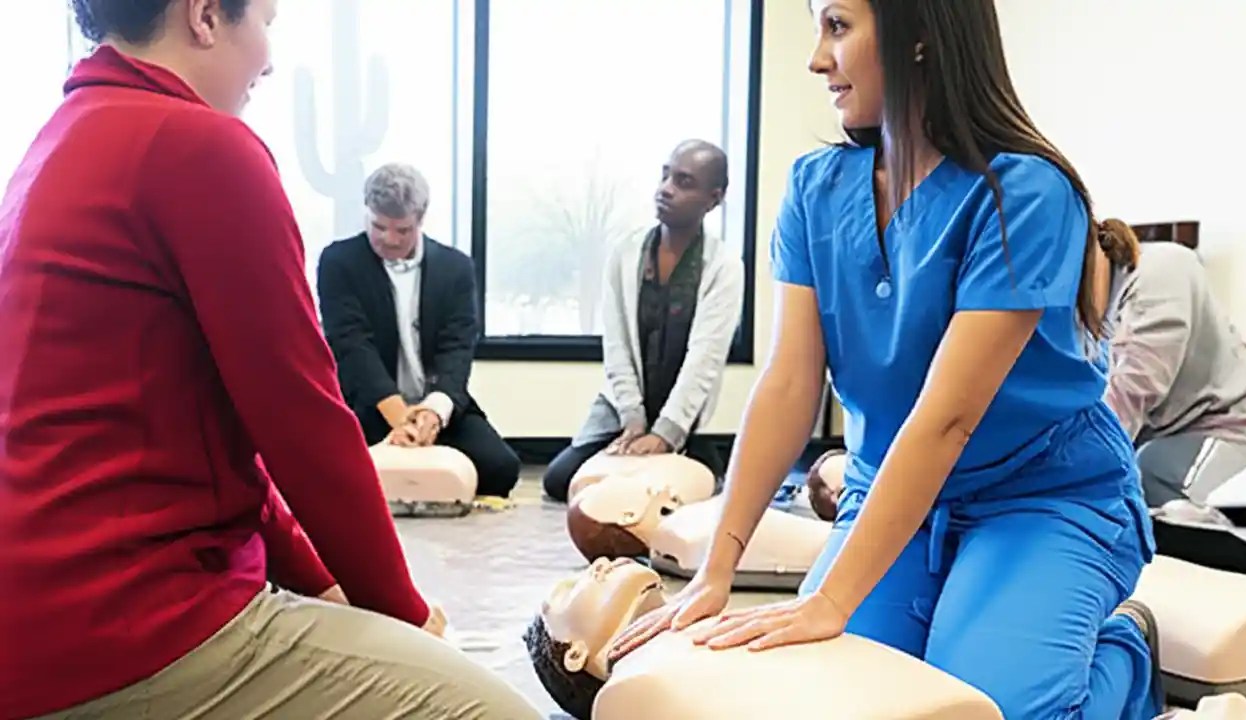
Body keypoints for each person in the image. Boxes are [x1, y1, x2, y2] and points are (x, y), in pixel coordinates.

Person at [609, 2, 1164, 719]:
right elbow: (787, 384)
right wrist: (717, 569)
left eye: (837, 26)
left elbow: (948, 418)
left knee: (995, 709)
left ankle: (1125, 653)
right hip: (889, 489)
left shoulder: (1023, 194)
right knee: (839, 699)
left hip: (1039, 496)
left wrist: (834, 599)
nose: (816, 59)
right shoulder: (816, 187)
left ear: (921, 32)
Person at [0, 2, 540, 718]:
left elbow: (234, 437)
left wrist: (319, 582)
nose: (269, 58)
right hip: (130, 624)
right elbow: (301, 424)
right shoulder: (201, 147)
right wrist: (402, 615)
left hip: (38, 618)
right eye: (267, 23)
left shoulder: (60, 140)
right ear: (203, 17)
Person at [542, 140, 745, 503]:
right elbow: (616, 345)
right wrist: (633, 421)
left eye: (683, 182)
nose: (666, 189)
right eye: (666, 176)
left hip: (684, 418)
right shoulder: (625, 254)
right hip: (624, 410)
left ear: (713, 199)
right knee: (559, 481)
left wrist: (665, 434)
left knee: (691, 489)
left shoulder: (724, 267)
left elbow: (705, 359)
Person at [317, 162, 521, 499]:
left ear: (421, 219)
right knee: (332, 476)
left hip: (435, 406)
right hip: (368, 404)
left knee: (500, 468)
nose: (389, 239)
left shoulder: (455, 268)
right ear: (366, 212)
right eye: (378, 226)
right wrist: (400, 418)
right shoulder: (339, 262)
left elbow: (458, 349)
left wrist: (431, 413)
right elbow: (352, 344)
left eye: (402, 230)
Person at [1096, 219, 1246, 522]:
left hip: (1222, 423)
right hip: (1153, 431)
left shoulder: (1162, 269)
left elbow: (1134, 388)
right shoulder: (1072, 309)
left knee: (1150, 482)